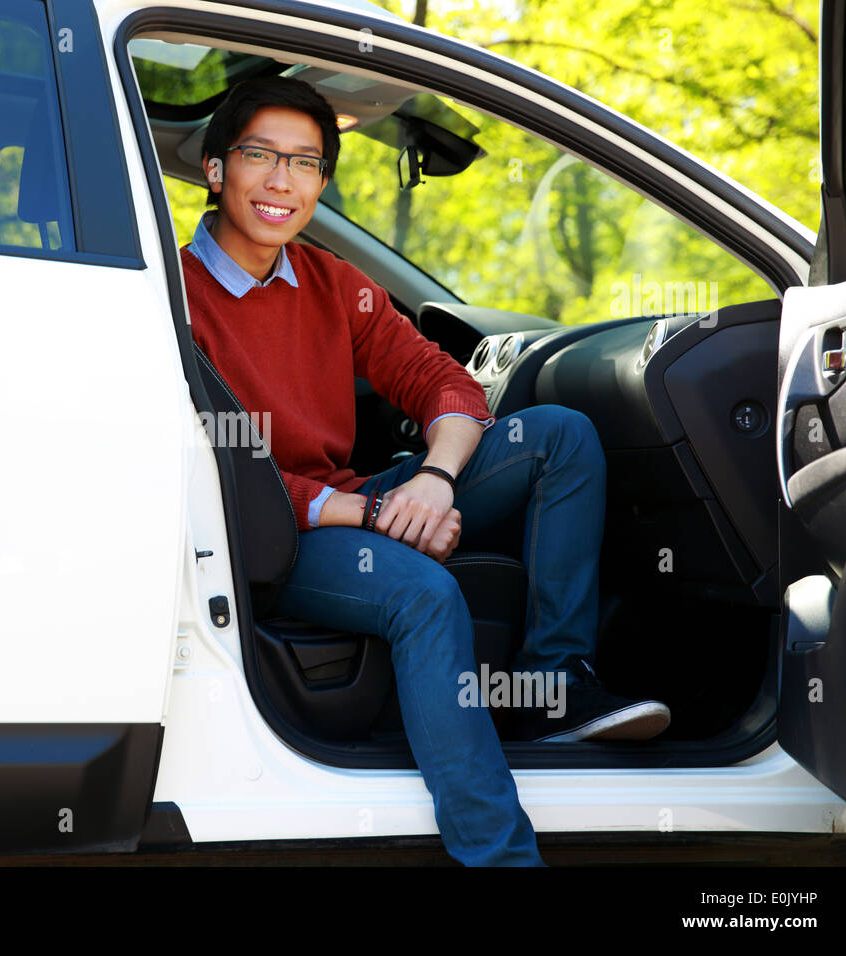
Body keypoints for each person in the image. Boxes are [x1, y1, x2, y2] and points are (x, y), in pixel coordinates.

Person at [180, 74, 673, 866]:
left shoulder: (332, 282)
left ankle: (554, 689)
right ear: (215, 169)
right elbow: (223, 471)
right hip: (267, 533)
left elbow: (444, 381)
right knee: (423, 592)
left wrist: (433, 480)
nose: (282, 181)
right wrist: (373, 519)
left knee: (560, 436)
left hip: (353, 502)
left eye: (305, 163)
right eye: (260, 156)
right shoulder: (177, 300)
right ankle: (502, 858)